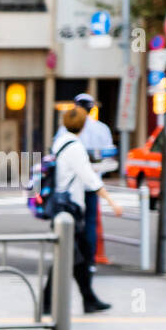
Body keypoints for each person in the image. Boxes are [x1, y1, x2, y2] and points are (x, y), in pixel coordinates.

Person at [43, 106, 125, 314]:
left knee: (75, 255)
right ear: (83, 124)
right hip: (69, 208)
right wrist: (112, 202)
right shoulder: (75, 147)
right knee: (74, 253)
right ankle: (50, 302)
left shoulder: (60, 142)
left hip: (60, 205)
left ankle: (87, 299)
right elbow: (89, 178)